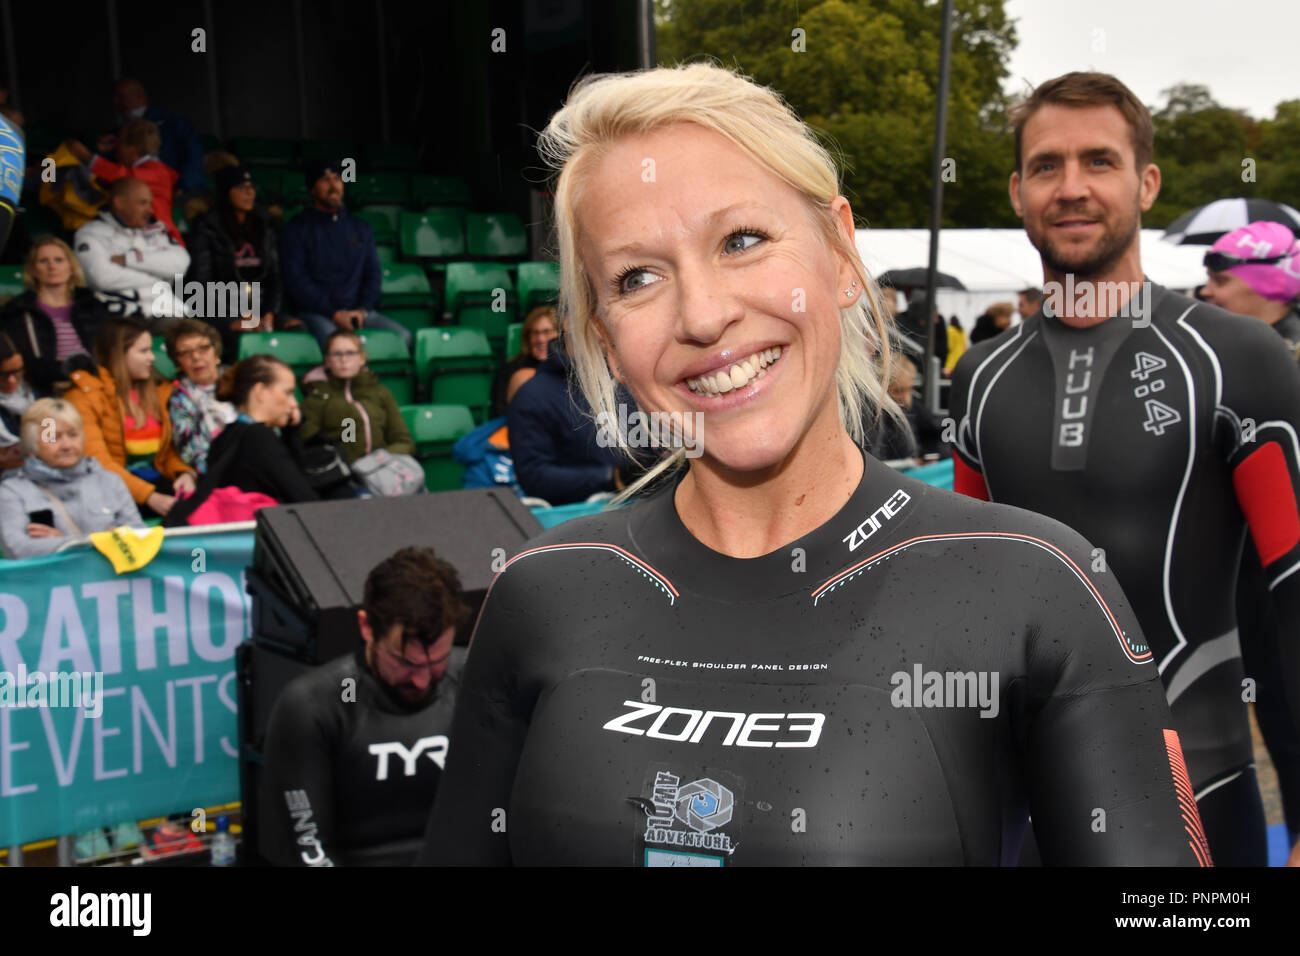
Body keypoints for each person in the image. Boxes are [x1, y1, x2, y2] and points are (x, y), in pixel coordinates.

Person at [419, 63, 1207, 867]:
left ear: (838, 253)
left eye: (742, 240)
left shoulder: (1036, 583)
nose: (702, 314)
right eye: (638, 277)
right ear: (603, 336)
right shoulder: (544, 588)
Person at [948, 71, 1300, 868]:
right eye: (1047, 166)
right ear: (1016, 190)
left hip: (1197, 794)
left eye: (1098, 162)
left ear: (1146, 183)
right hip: (1017, 809)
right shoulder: (982, 379)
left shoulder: (1237, 359)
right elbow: (961, 597)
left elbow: (1293, 598)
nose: (1071, 188)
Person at [259, 546, 469, 866]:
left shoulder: (478, 683)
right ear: (367, 627)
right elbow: (308, 851)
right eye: (406, 663)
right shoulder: (313, 706)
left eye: (438, 662)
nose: (423, 681)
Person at [1200, 220, 1300, 850]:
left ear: (1267, 284)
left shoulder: (1273, 355)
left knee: (1288, 723)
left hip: (1278, 578)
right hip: (1249, 578)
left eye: (1222, 278)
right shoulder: (1226, 355)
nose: (1207, 291)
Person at [64, 316, 196, 517]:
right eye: (143, 351)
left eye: (151, 350)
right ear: (118, 354)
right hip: (109, 494)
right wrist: (149, 496)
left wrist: (184, 473)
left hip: (154, 483)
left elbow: (166, 452)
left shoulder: (157, 391)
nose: (152, 358)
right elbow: (98, 463)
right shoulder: (84, 396)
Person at [165, 355, 319, 524]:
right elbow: (305, 500)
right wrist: (294, 433)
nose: (293, 403)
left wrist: (291, 431)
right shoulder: (259, 438)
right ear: (260, 391)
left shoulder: (226, 436)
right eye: (288, 392)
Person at [279, 162, 413, 351]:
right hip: (318, 313)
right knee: (338, 347)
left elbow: (373, 275)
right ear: (312, 189)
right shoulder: (296, 229)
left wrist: (363, 310)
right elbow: (297, 282)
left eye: (337, 179)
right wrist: (333, 313)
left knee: (403, 338)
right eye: (325, 180)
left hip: (357, 313)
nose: (333, 185)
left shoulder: (361, 228)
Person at [506, 329, 635, 505]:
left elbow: (635, 451)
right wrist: (610, 476)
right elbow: (535, 477)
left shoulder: (617, 385)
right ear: (569, 322)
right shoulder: (533, 395)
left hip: (634, 511)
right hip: (575, 520)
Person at [0, 398, 140, 559]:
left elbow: (139, 536)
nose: (66, 445)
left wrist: (65, 543)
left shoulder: (109, 482)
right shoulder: (12, 491)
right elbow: (17, 548)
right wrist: (103, 541)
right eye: (54, 437)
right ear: (32, 446)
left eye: (73, 435)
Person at [184, 165, 294, 355]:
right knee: (245, 337)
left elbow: (275, 277)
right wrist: (239, 314)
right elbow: (202, 283)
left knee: (296, 331)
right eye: (242, 188)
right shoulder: (207, 227)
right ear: (227, 191)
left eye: (252, 188)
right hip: (218, 309)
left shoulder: (264, 225)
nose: (250, 193)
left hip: (259, 307)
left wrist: (270, 313)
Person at [75, 178, 190, 328]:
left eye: (150, 203)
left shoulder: (155, 232)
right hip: (118, 317)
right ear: (119, 203)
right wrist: (157, 277)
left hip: (165, 312)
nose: (150, 210)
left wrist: (129, 260)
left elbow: (181, 264)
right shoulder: (91, 233)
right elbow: (101, 277)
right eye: (142, 203)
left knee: (197, 334)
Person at [0, 236, 105, 396]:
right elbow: (28, 364)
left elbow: (107, 351)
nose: (52, 266)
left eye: (59, 260)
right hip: (47, 390)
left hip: (94, 386)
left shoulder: (91, 305)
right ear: (33, 270)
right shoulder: (19, 310)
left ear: (71, 267)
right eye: (43, 261)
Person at [299, 329, 413, 464]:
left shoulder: (380, 393)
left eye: (350, 353)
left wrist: (377, 461)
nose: (344, 359)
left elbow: (404, 441)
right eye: (336, 354)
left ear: (362, 358)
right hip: (343, 475)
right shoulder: (318, 397)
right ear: (327, 360)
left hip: (382, 470)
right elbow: (307, 444)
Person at [68, 119, 182, 243]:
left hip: (164, 239)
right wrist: (100, 150)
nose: (116, 152)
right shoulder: (150, 169)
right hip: (145, 237)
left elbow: (123, 177)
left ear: (134, 148)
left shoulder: (157, 171)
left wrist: (86, 157)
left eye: (119, 145)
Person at [98, 78, 205, 196]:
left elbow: (194, 154)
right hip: (135, 194)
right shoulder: (117, 134)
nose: (115, 102)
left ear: (140, 96)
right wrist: (102, 152)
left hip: (176, 191)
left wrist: (183, 186)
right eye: (114, 97)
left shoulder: (172, 122)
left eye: (120, 96)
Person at [164, 318, 235, 474]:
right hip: (219, 473)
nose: (196, 357)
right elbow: (191, 453)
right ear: (178, 361)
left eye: (203, 348)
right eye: (186, 352)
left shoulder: (241, 381)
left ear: (216, 351)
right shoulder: (179, 399)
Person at [868, 355, 948, 463]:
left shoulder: (911, 407)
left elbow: (943, 424)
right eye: (898, 391)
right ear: (881, 388)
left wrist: (936, 456)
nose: (905, 397)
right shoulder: (870, 417)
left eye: (909, 389)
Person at [490, 305, 558, 418]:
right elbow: (500, 410)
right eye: (535, 333)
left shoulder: (568, 368)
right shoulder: (510, 369)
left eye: (547, 332)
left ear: (559, 334)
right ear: (528, 337)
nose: (540, 339)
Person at [0, 333, 33, 471]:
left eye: (17, 372)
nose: (12, 380)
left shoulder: (31, 392)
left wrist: (47, 445)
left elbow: (48, 421)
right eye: (3, 375)